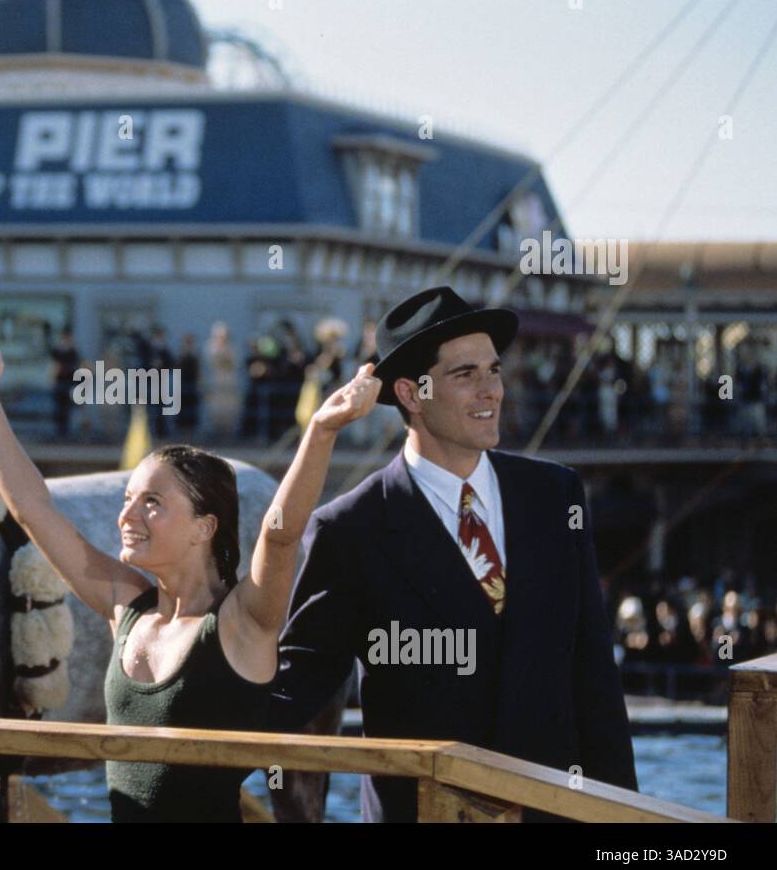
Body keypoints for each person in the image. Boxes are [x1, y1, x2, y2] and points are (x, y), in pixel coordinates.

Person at [0, 336, 379, 822]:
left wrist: (321, 432)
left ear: (205, 527)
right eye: (128, 498)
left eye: (151, 503)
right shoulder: (126, 608)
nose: (127, 515)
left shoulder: (242, 623)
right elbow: (32, 510)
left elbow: (280, 537)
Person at [268, 286, 637, 822]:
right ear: (411, 394)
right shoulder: (349, 529)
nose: (491, 391)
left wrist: (624, 830)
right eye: (465, 375)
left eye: (494, 370)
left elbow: (594, 676)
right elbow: (295, 688)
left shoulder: (557, 495)